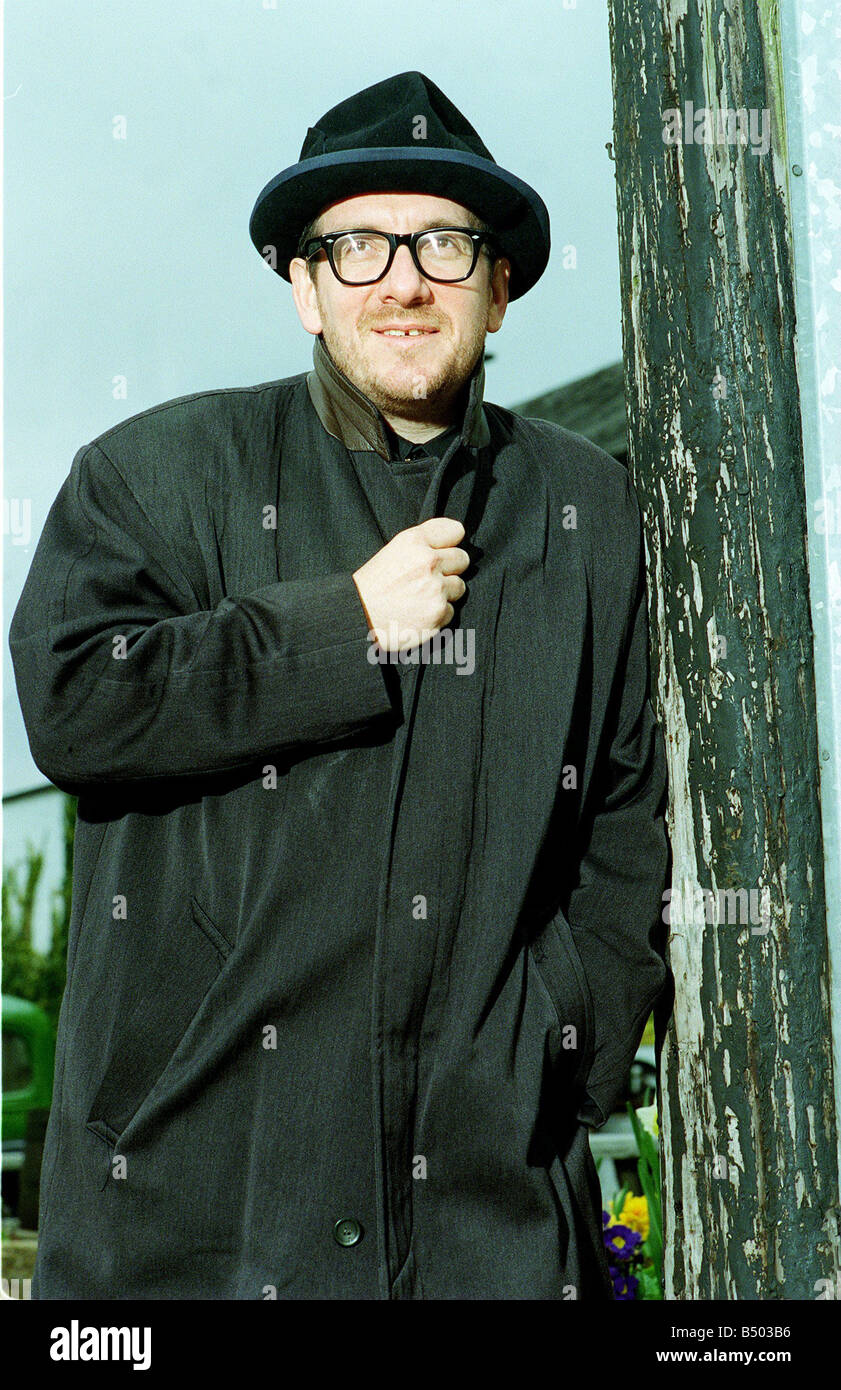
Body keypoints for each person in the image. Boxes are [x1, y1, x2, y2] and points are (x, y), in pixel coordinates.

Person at [10, 70, 670, 1300]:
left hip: (487, 1225)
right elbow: (74, 701)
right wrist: (343, 625)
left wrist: (549, 1044)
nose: (404, 279)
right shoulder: (153, 475)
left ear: (502, 287)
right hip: (193, 1222)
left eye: (444, 244)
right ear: (305, 288)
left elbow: (627, 815)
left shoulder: (588, 512)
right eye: (356, 246)